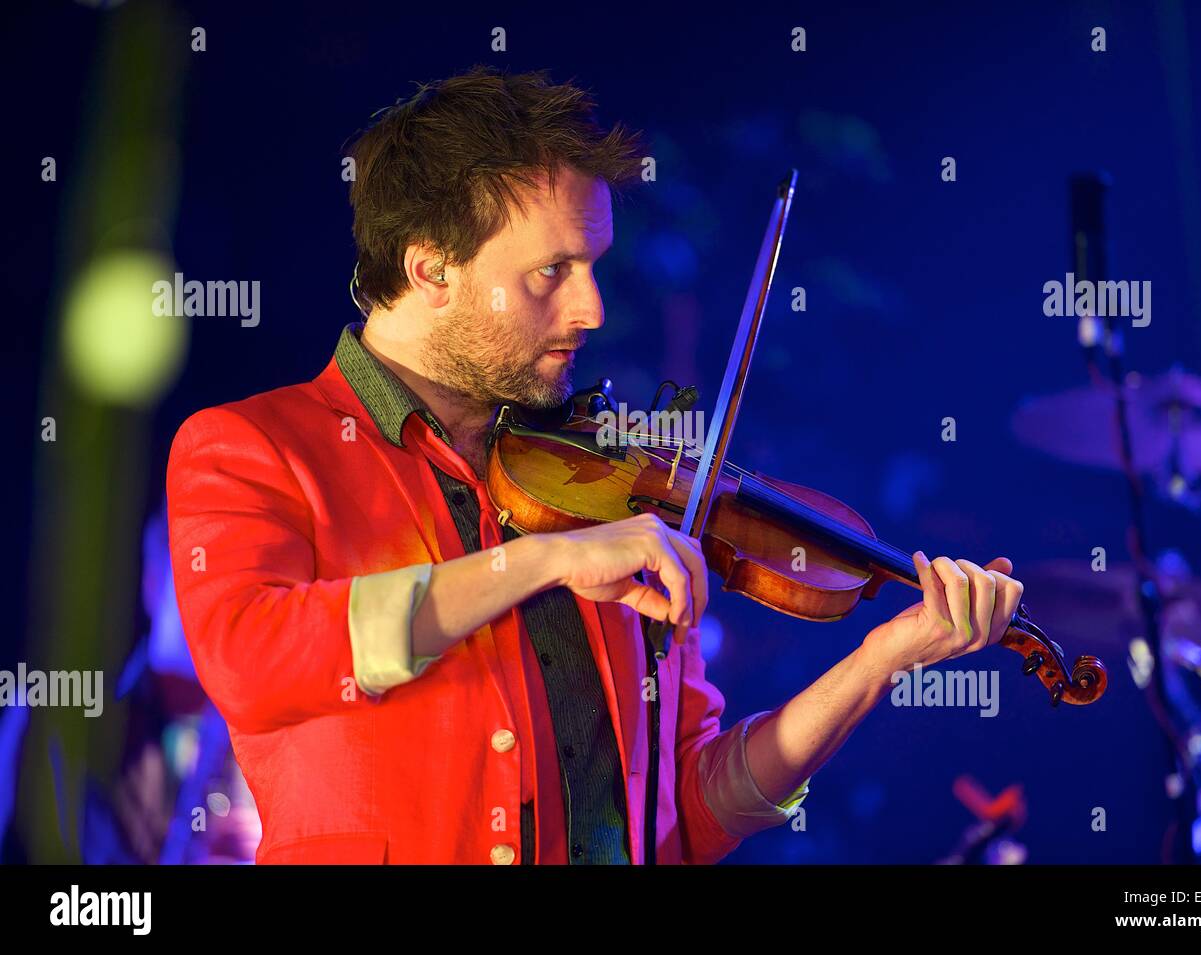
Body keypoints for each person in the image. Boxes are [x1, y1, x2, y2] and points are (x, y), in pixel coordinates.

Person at [166, 66, 1023, 864]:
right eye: (552, 272)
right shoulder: (255, 447)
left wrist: (875, 663)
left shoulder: (603, 490)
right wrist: (542, 561)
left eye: (594, 266)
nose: (593, 309)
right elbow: (254, 660)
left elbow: (686, 810)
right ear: (431, 269)